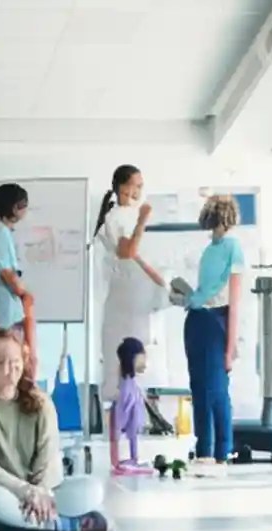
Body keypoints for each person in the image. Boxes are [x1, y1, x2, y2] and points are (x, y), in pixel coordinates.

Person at [0, 329, 113, 531]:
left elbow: (48, 457)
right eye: (1, 363)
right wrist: (25, 491)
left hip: (42, 492)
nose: (10, 369)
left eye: (15, 361)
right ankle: (63, 524)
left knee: (92, 489)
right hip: (2, 492)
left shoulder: (41, 403)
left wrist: (40, 492)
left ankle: (27, 522)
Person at [174, 195, 246, 465]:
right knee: (201, 390)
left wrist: (230, 348)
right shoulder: (211, 249)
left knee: (215, 390)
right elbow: (205, 291)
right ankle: (205, 449)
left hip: (215, 320)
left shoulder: (233, 248)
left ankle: (219, 451)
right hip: (198, 319)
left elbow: (234, 302)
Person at [94, 164, 170, 401]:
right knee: (124, 360)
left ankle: (138, 408)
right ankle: (122, 410)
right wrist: (143, 220)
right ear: (122, 187)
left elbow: (138, 258)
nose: (138, 190)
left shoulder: (128, 214)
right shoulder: (115, 216)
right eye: (135, 185)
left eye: (140, 186)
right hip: (125, 299)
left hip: (137, 297)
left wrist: (161, 282)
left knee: (141, 357)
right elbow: (128, 252)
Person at [0, 183, 37, 374]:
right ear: (14, 207)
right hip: (3, 312)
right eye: (24, 204)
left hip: (9, 310)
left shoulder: (4, 233)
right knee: (7, 360)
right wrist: (23, 292)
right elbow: (7, 272)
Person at [110, 338, 154, 476]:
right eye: (143, 356)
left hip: (130, 452)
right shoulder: (127, 389)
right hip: (125, 455)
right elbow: (120, 422)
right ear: (134, 357)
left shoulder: (131, 384)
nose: (146, 361)